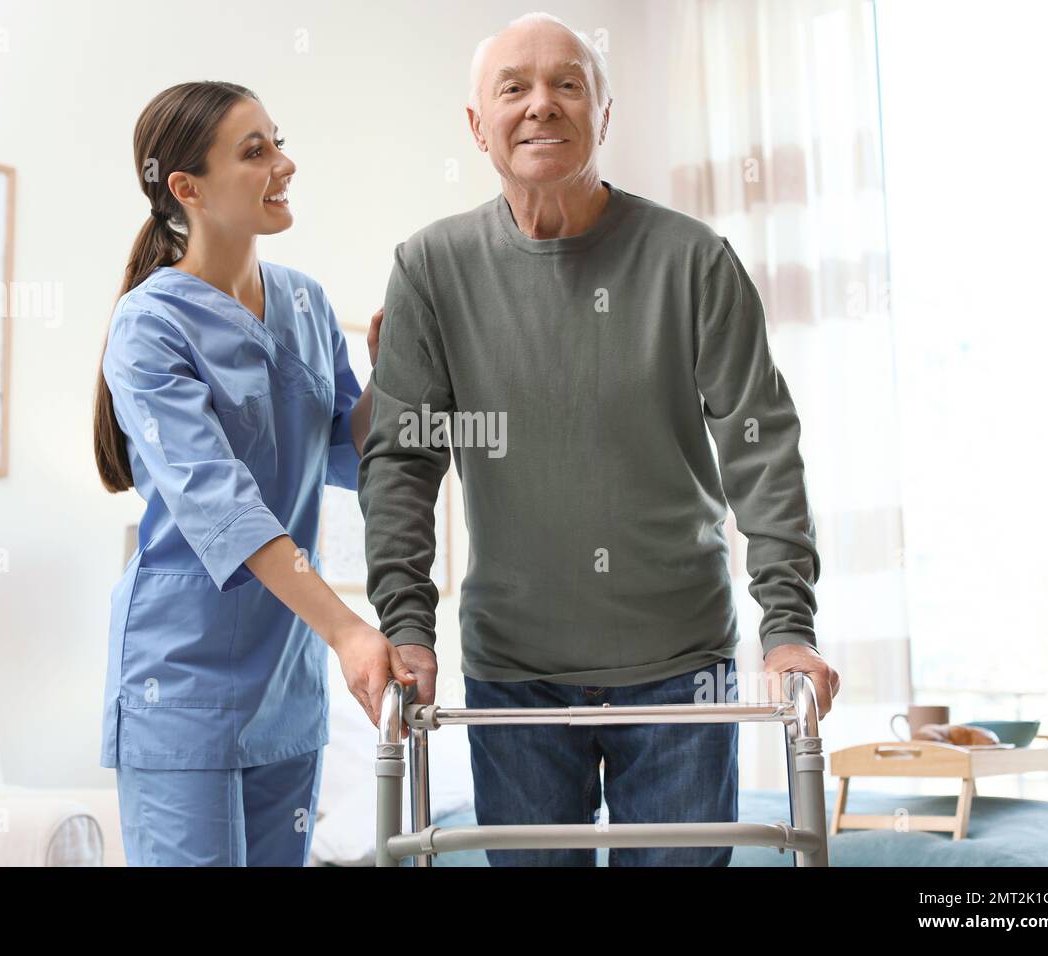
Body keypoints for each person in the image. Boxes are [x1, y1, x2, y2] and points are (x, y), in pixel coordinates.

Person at [358, 13, 841, 866]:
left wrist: (788, 627)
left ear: (604, 115)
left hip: (679, 663)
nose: (541, 105)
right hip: (514, 671)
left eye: (568, 84)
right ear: (477, 124)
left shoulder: (694, 261)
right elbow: (403, 458)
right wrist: (405, 623)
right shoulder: (431, 268)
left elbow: (760, 448)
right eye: (514, 87)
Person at [91, 81, 414, 866]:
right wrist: (345, 628)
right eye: (256, 150)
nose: (285, 162)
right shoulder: (150, 325)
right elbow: (222, 506)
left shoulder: (304, 302)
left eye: (279, 140)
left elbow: (350, 453)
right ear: (186, 189)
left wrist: (389, 371)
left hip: (286, 682)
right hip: (183, 683)